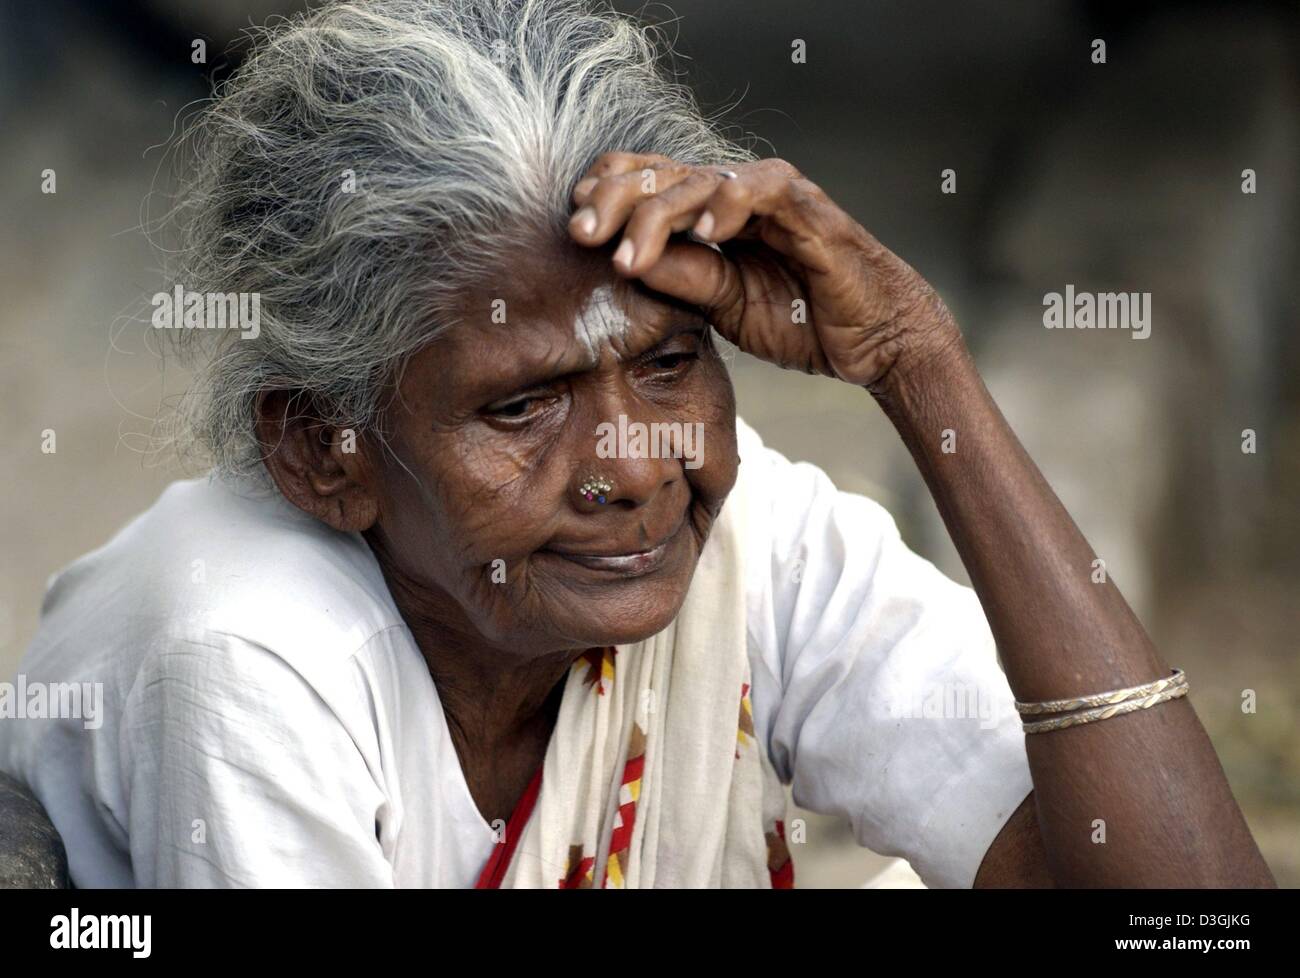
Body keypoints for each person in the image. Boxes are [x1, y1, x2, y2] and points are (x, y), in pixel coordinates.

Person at [0, 0, 1273, 888]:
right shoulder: (240, 649)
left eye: (669, 363)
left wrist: (912, 358)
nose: (639, 464)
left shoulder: (746, 544)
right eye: (521, 406)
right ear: (320, 452)